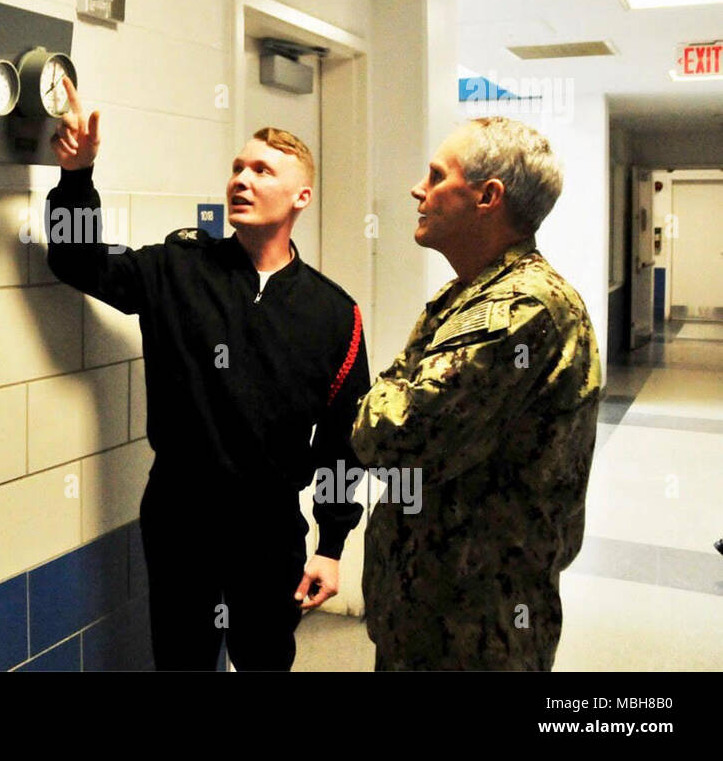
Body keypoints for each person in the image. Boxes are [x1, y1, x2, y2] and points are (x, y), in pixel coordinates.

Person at [45, 77, 370, 671]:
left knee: (265, 660)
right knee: (182, 660)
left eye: (264, 171)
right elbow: (77, 260)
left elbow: (341, 441)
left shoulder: (334, 313)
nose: (242, 180)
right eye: (237, 168)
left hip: (269, 526)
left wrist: (331, 545)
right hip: (179, 516)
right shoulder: (177, 269)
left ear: (301, 198)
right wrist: (76, 176)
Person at [352, 116, 601, 671]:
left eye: (438, 176)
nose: (419, 189)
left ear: (488, 197)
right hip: (431, 612)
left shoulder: (517, 310)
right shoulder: (466, 294)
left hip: (474, 632)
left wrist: (383, 397)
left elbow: (392, 438)